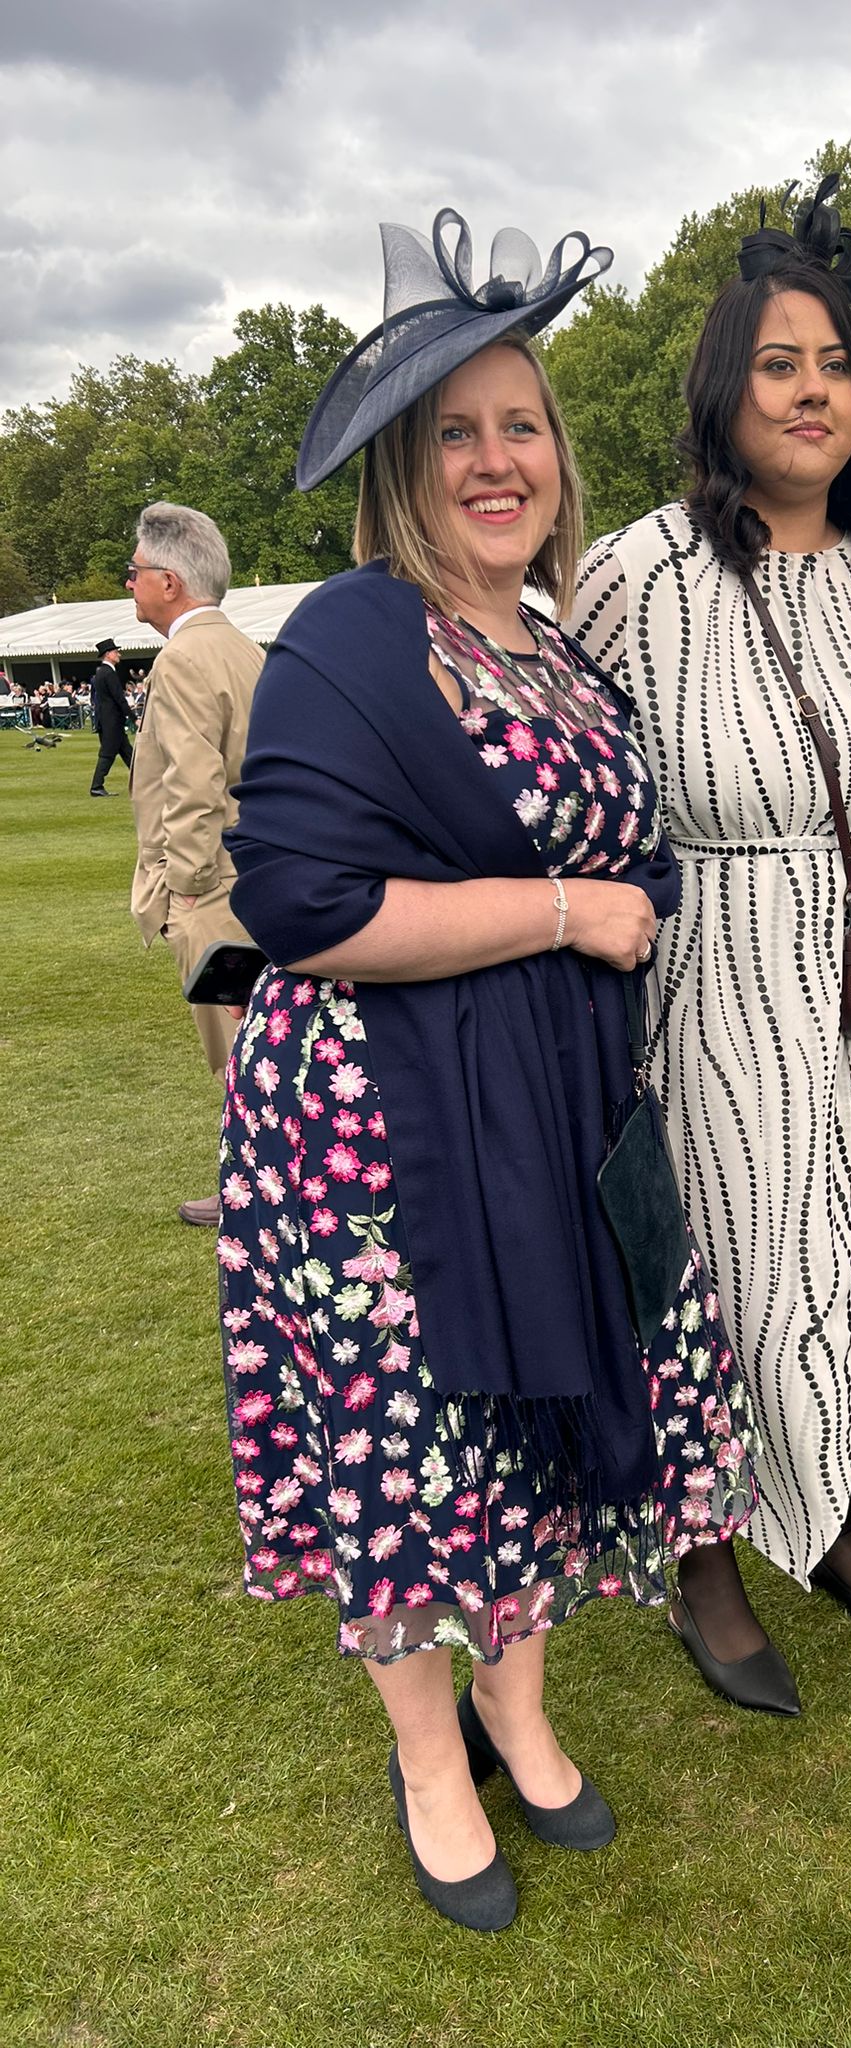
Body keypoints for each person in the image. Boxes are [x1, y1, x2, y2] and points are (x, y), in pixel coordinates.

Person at [218, 207, 758, 1933]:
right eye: (454, 431)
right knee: (413, 1442)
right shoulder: (354, 635)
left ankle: (517, 1712)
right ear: (402, 468)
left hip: (552, 1103)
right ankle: (428, 1758)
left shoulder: (557, 645)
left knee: (524, 1435)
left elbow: (636, 866)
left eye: (522, 423)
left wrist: (617, 909)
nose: (495, 458)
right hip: (385, 1134)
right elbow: (301, 906)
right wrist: (568, 911)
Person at [568, 173, 851, 1714]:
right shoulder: (642, 573)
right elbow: (561, 766)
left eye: (835, 365)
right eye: (780, 364)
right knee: (729, 1267)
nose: (812, 391)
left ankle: (827, 1508)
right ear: (726, 392)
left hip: (850, 972)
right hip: (707, 966)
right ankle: (707, 1552)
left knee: (848, 1248)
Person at [126, 503, 265, 1223]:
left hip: (215, 887)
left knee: (235, 1051)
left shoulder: (182, 658)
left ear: (170, 581)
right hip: (256, 874)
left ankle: (254, 1187)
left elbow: (192, 785)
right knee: (260, 1041)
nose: (130, 584)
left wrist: (186, 888)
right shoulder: (245, 649)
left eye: (134, 572)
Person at [88, 638, 134, 794]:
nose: (119, 654)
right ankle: (96, 786)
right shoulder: (108, 673)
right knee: (107, 754)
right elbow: (119, 698)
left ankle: (143, 781)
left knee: (128, 753)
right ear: (108, 654)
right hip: (111, 721)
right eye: (116, 652)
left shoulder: (100, 672)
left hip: (108, 720)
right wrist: (134, 717)